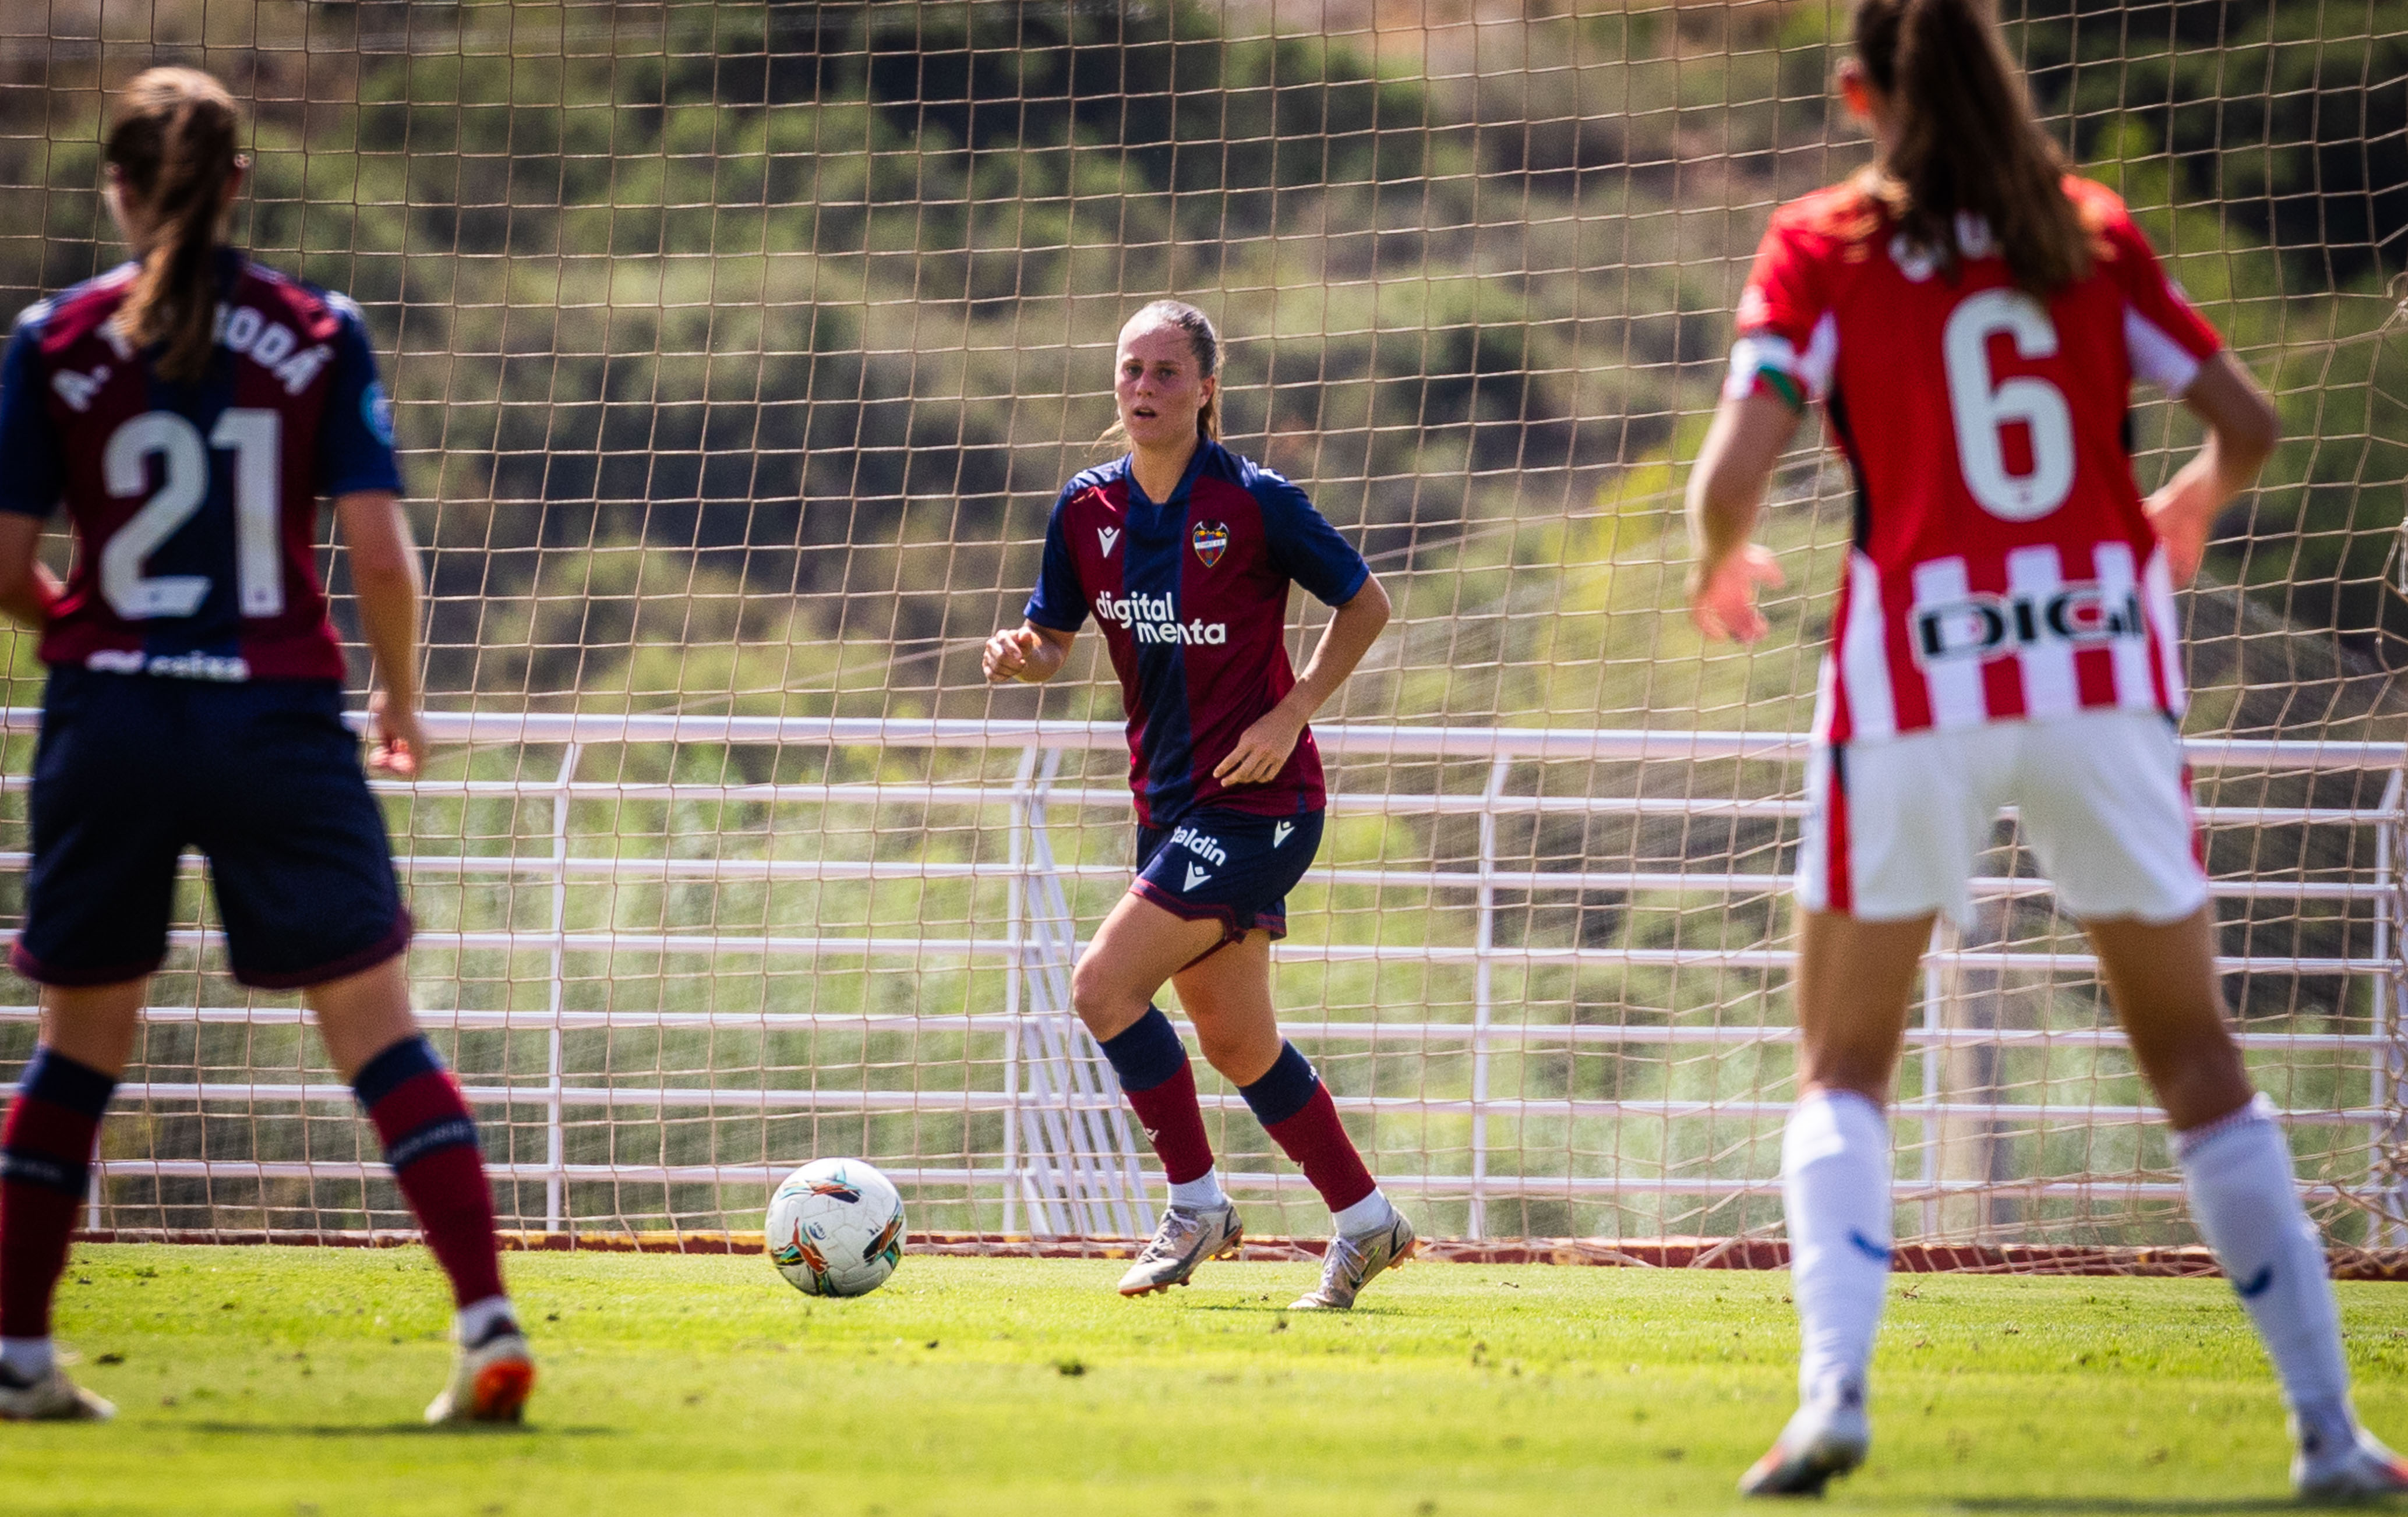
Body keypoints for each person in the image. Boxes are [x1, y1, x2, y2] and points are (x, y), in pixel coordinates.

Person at [1686, 0, 2408, 1499]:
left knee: (1842, 1063)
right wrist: (2197, 499)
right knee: (2201, 1064)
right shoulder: (2086, 228)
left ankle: (1831, 1400)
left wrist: (1722, 556)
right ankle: (2331, 1433)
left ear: (1858, 95)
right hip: (2096, 663)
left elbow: (1733, 469)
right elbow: (2249, 418)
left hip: (1917, 676)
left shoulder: (1825, 245)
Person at [0, 68, 532, 1424]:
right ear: (241, 180)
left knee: (77, 1051)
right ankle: (483, 1329)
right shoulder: (318, 329)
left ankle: (15, 1356)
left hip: (108, 715)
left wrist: (93, 629)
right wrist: (402, 701)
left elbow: (6, 561)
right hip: (275, 716)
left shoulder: (50, 340)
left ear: (113, 185)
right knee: (378, 1033)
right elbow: (379, 557)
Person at [983, 300, 1408, 1309]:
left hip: (1262, 803)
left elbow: (1368, 603)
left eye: (1167, 371)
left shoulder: (1255, 502)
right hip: (1169, 805)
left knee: (1100, 986)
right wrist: (1020, 654)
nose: (1143, 388)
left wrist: (1292, 711)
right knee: (1235, 1042)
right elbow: (1053, 642)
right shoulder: (1085, 510)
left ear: (1207, 389)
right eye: (1131, 369)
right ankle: (1367, 1222)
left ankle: (1196, 1204)